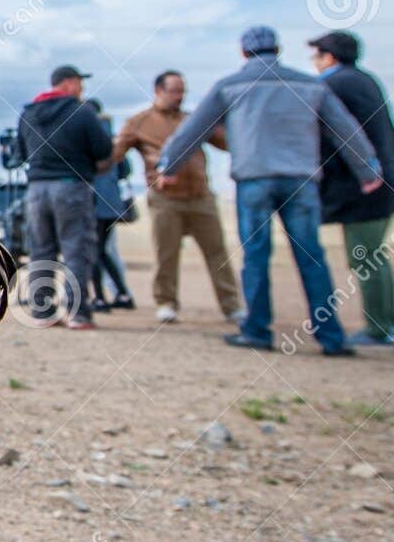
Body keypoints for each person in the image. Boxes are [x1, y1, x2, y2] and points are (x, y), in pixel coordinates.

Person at [159, 26, 382, 356]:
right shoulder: (309, 84)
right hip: (301, 181)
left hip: (255, 180)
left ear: (243, 53)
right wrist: (368, 170)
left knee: (256, 255)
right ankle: (331, 337)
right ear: (277, 50)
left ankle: (257, 331)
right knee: (312, 257)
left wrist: (168, 166)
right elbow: (345, 128)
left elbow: (194, 129)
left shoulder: (230, 85)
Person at [110, 70, 242, 325]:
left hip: (201, 196)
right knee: (166, 254)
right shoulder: (139, 122)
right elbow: (115, 154)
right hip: (165, 198)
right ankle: (166, 303)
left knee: (218, 253)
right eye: (174, 91)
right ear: (158, 91)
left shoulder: (193, 120)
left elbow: (225, 143)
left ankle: (232, 306)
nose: (179, 96)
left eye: (182, 91)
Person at [308, 30, 394, 347]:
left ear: (328, 57)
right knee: (373, 256)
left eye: (316, 56)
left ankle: (379, 328)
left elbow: (333, 136)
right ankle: (385, 324)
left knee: (366, 256)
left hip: (365, 186)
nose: (314, 64)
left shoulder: (333, 84)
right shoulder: (365, 79)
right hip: (380, 182)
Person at [15, 63, 113, 328]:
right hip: (71, 187)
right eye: (80, 83)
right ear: (69, 84)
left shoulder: (28, 114)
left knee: (40, 250)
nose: (82, 89)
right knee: (75, 248)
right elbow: (104, 149)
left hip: (35, 190)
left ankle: (42, 311)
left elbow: (20, 154)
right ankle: (78, 313)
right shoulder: (81, 112)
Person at [86, 99, 135, 312]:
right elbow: (125, 169)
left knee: (94, 252)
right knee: (102, 250)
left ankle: (99, 298)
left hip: (93, 201)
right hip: (112, 203)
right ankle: (123, 293)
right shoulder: (113, 138)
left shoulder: (88, 136)